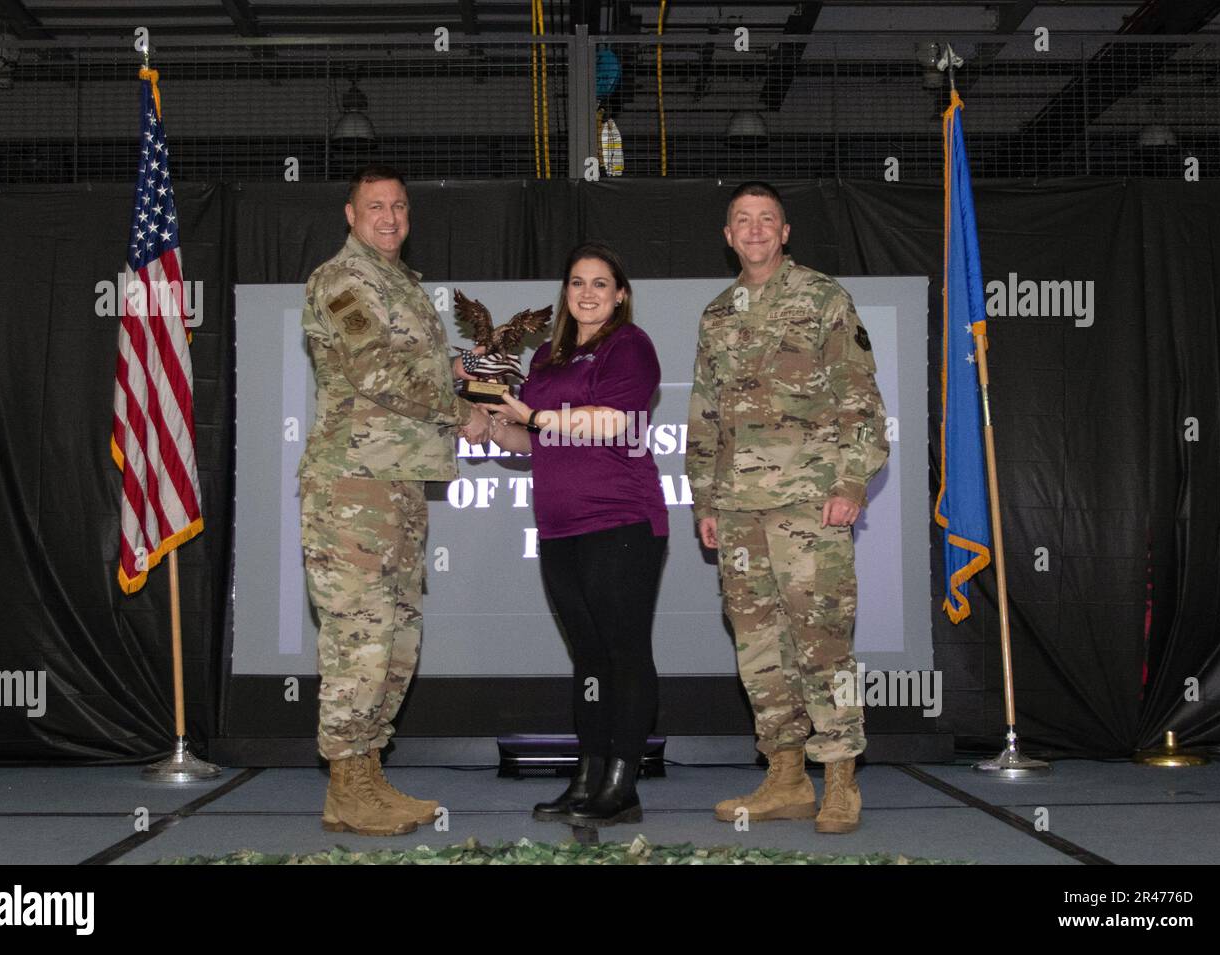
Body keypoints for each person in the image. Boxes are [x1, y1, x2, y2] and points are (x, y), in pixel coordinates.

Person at [685, 182, 889, 834]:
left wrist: (851, 481)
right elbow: (704, 416)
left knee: (823, 642)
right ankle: (785, 775)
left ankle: (840, 782)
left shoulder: (823, 298)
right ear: (727, 234)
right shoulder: (717, 315)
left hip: (809, 501)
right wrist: (704, 500)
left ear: (785, 230)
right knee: (759, 647)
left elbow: (859, 396)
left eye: (765, 219)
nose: (754, 230)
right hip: (740, 510)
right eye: (741, 220)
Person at [299, 164, 491, 836]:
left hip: (398, 485)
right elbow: (375, 369)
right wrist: (458, 405)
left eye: (400, 207)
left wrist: (458, 373)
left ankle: (368, 774)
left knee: (396, 637)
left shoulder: (402, 285)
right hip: (354, 488)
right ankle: (347, 784)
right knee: (360, 636)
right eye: (375, 207)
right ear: (350, 216)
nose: (389, 218)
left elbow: (411, 367)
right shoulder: (341, 281)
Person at [480, 241, 668, 828]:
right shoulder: (545, 357)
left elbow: (614, 420)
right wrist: (485, 422)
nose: (587, 293)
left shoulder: (629, 346)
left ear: (620, 295)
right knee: (588, 656)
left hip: (621, 521)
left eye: (599, 283)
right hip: (559, 528)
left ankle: (623, 784)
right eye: (577, 283)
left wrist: (531, 416)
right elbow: (530, 444)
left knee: (623, 652)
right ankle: (586, 775)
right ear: (566, 293)